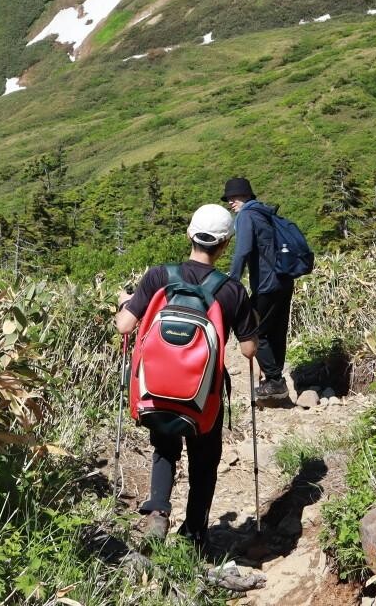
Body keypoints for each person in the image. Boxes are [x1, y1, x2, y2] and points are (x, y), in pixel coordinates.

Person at [116, 203, 257, 550]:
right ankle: (194, 532)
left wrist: (125, 302)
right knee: (206, 458)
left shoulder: (158, 276)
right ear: (225, 245)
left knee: (164, 446)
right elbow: (248, 350)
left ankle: (158, 513)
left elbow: (125, 326)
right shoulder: (232, 290)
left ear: (189, 234)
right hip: (202, 393)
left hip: (158, 389)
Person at [222, 176, 291, 405]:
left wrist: (231, 281)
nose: (231, 202)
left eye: (234, 197)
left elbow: (242, 251)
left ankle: (275, 380)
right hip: (284, 280)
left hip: (266, 285)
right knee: (276, 330)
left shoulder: (246, 216)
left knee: (253, 329)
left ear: (246, 196)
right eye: (229, 198)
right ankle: (275, 383)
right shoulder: (264, 212)